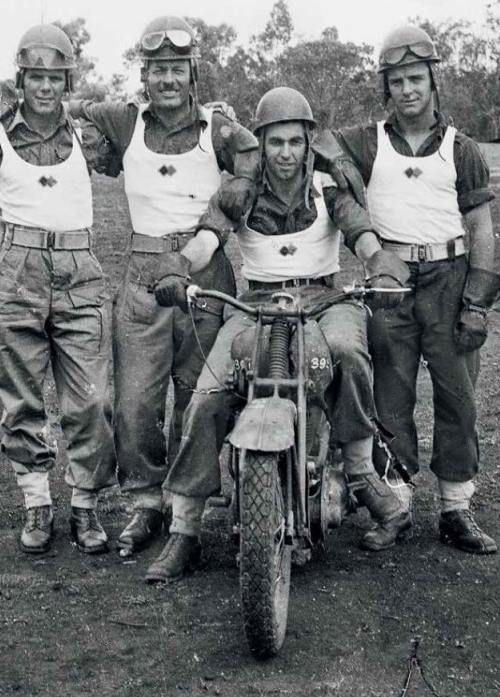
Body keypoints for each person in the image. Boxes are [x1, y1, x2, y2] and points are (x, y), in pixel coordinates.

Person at [142, 86, 414, 584]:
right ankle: (184, 528)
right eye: (275, 143)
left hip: (324, 299)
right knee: (209, 393)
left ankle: (360, 472)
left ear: (309, 144)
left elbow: (360, 231)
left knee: (349, 353)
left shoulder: (328, 187)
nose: (285, 153)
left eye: (295, 142)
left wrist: (381, 264)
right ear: (260, 145)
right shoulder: (239, 193)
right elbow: (207, 240)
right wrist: (179, 266)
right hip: (256, 305)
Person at [63, 15, 263, 556]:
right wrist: (81, 125)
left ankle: (185, 512)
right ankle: (145, 502)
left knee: (197, 394)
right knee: (134, 401)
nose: (167, 80)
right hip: (143, 271)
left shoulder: (217, 128)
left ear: (192, 73)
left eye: (177, 69)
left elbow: (253, 159)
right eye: (157, 70)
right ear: (144, 75)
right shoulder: (127, 120)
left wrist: (222, 221)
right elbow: (70, 107)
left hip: (203, 267)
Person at [314, 25, 500, 555]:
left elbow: (482, 228)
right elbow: (319, 145)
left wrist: (476, 303)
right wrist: (343, 181)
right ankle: (396, 505)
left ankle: (456, 508)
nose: (407, 90)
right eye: (396, 81)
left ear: (432, 82)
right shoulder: (369, 139)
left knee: (457, 395)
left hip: (449, 276)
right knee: (392, 394)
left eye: (416, 79)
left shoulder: (461, 148)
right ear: (386, 87)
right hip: (390, 280)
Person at [0, 24, 116, 556]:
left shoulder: (88, 136)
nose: (45, 87)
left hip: (79, 269)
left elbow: (144, 155)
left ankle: (85, 505)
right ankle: (37, 502)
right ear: (22, 80)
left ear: (67, 81)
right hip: (17, 272)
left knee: (92, 398)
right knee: (20, 396)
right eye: (35, 76)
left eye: (54, 77)